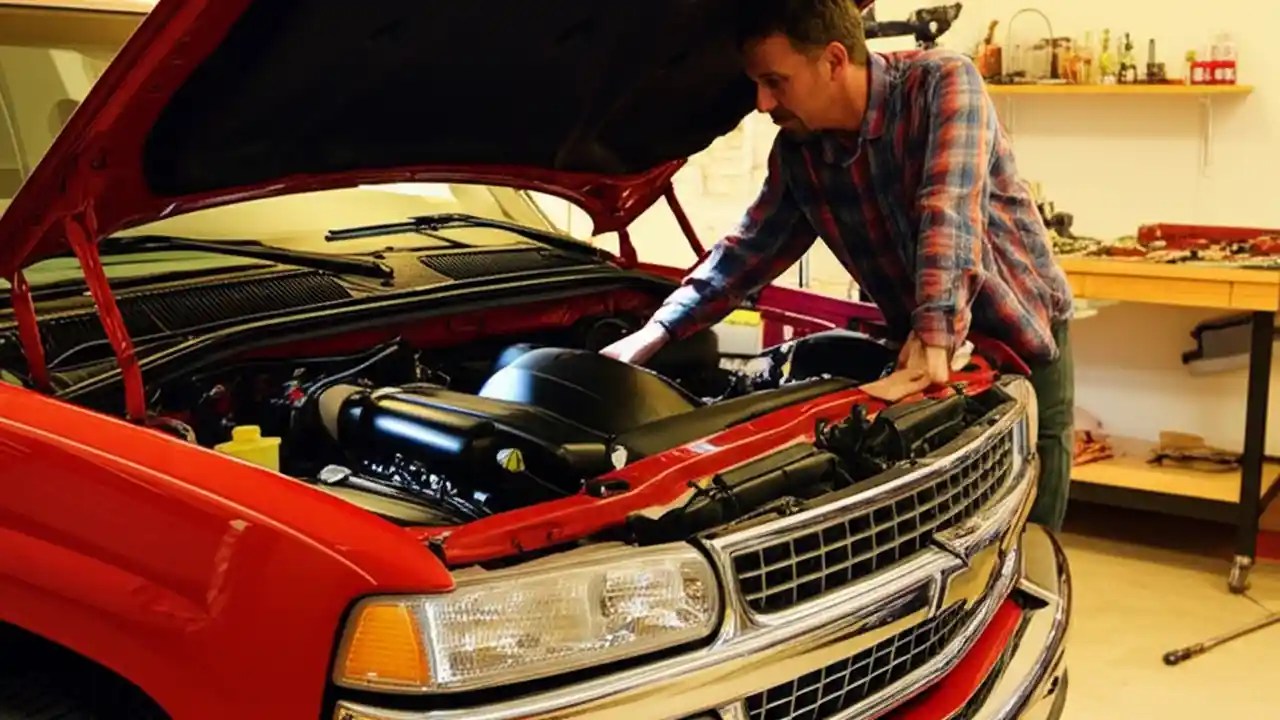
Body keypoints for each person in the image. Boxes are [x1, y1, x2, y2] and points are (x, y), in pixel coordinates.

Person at [599, 0, 1076, 531]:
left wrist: (934, 334)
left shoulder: (942, 84)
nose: (761, 103)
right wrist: (655, 332)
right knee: (952, 520)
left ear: (831, 60)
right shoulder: (801, 154)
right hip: (923, 355)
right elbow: (745, 253)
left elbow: (948, 209)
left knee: (1031, 514)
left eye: (775, 81)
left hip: (1022, 334)